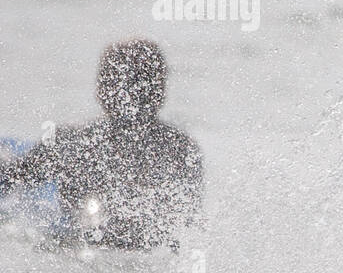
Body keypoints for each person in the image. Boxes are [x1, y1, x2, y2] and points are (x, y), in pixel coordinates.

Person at [0, 38, 203, 250]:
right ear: (160, 92)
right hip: (151, 257)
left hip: (78, 254)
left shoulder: (70, 142)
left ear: (102, 91)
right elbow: (189, 224)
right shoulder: (182, 148)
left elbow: (11, 180)